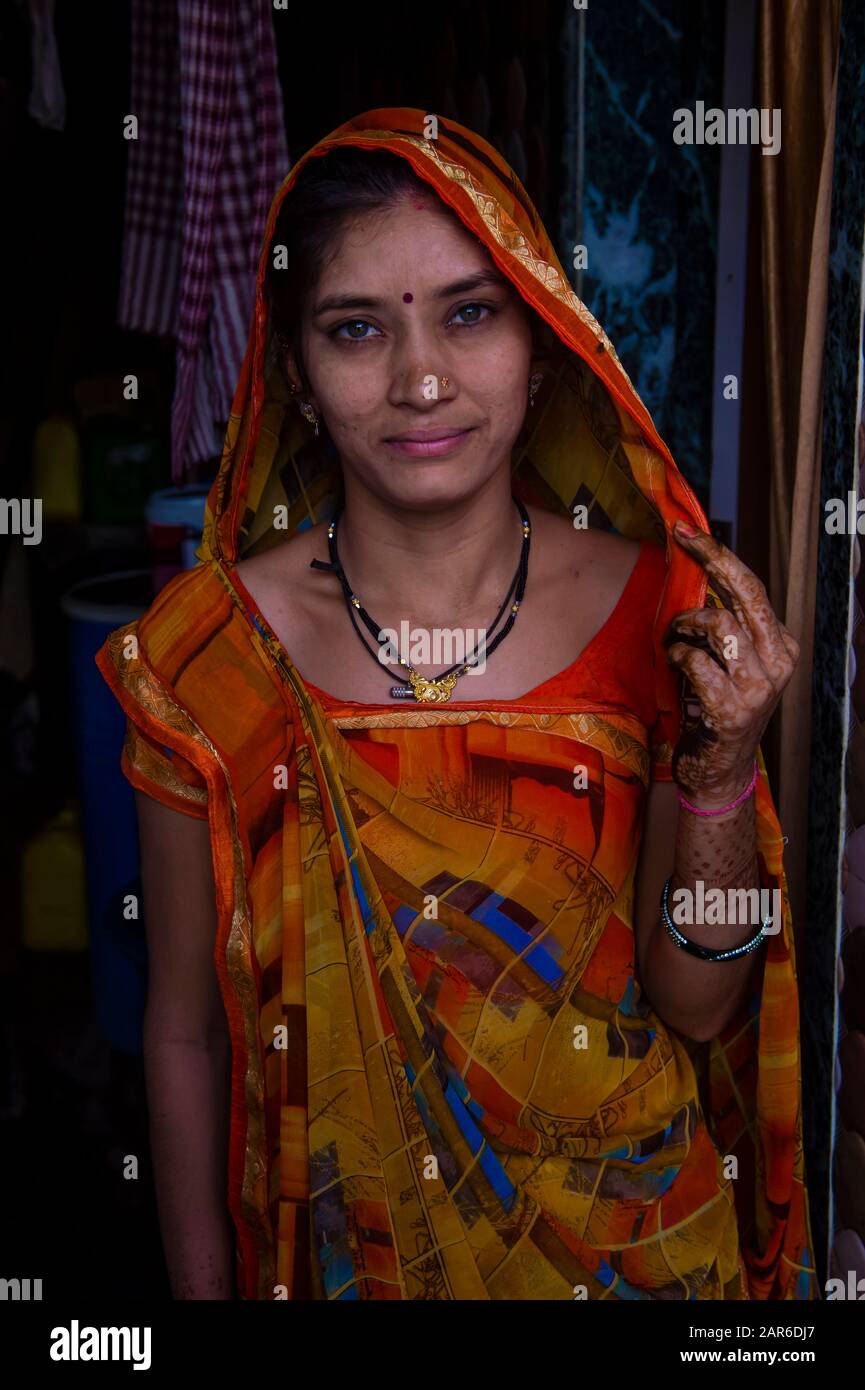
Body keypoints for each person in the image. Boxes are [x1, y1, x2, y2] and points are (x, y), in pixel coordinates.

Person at [96, 108, 817, 1301]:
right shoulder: (210, 661)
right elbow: (183, 1030)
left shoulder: (663, 613)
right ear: (296, 376)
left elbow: (697, 1003)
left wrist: (720, 765)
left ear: (541, 346)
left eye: (469, 313)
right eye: (356, 329)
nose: (420, 379)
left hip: (635, 1267)